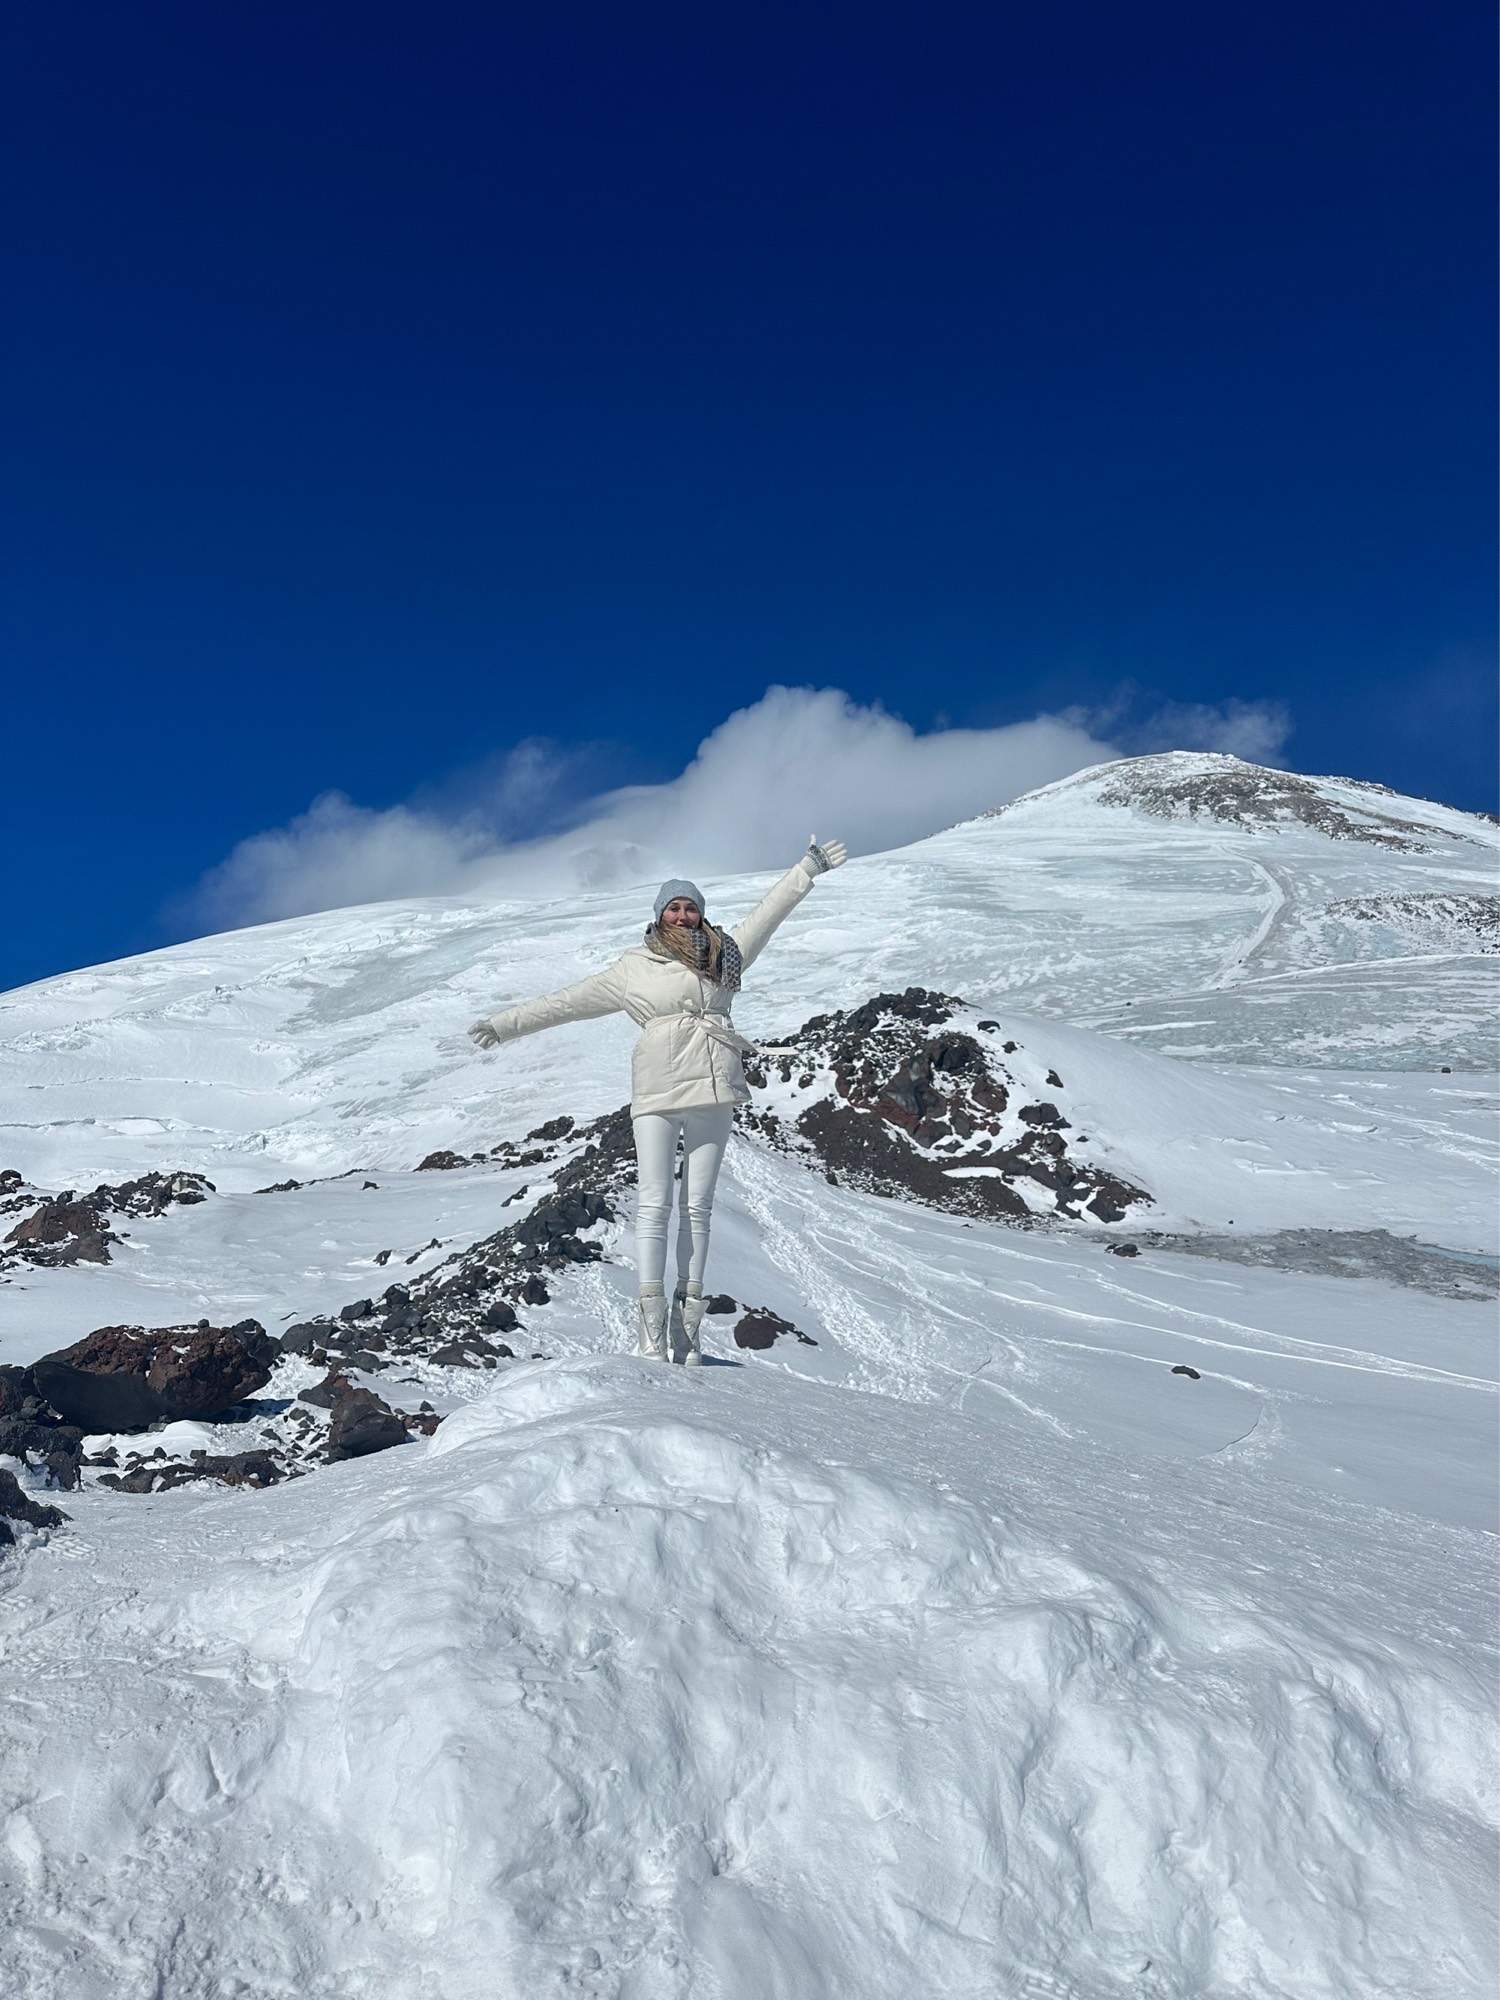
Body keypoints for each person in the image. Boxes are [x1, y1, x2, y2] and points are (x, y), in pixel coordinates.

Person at [468, 837, 848, 1363]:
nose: (685, 914)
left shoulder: (727, 955)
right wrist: (503, 1025)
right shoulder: (632, 968)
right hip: (658, 1086)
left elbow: (770, 912)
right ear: (660, 913)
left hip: (714, 1082)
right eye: (675, 905)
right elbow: (567, 1003)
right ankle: (650, 1333)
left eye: (692, 906)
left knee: (698, 1207)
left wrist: (808, 867)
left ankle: (686, 1329)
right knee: (654, 1205)